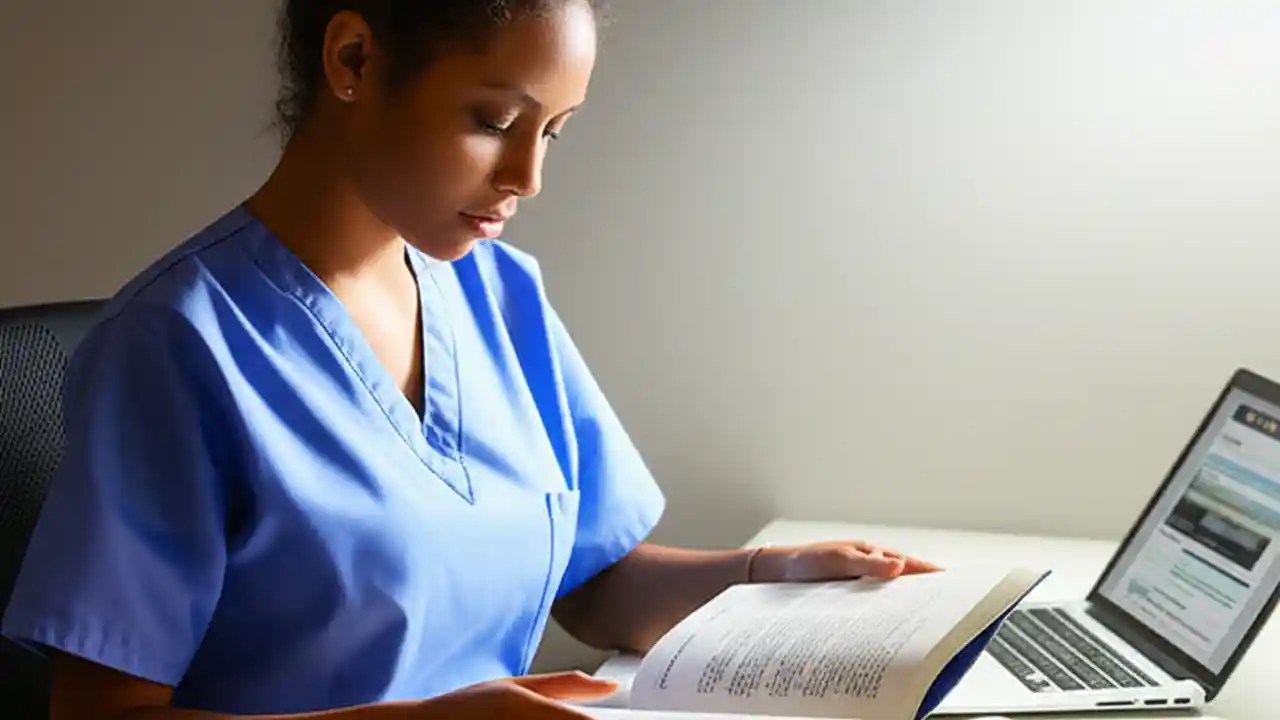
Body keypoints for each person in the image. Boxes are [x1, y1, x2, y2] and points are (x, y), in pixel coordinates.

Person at [1, 1, 939, 718]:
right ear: (354, 60)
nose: (528, 177)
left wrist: (759, 581)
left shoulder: (498, 293)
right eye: (495, 120)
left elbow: (596, 581)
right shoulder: (177, 347)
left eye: (554, 132)